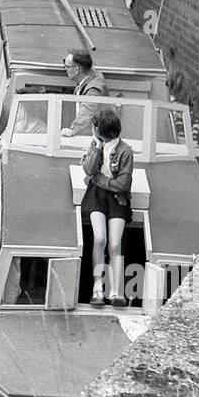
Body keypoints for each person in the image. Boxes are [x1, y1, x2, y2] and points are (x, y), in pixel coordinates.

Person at [81, 106, 134, 306]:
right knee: (100, 239)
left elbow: (123, 184)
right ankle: (97, 290)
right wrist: (96, 148)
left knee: (114, 244)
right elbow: (88, 168)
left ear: (99, 129)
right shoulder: (96, 145)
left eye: (94, 127)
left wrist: (98, 178)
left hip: (117, 199)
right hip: (96, 197)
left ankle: (115, 292)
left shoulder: (125, 151)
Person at [63, 50, 108, 137]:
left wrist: (73, 129)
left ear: (76, 70)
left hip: (95, 138)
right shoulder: (87, 79)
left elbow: (88, 109)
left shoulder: (93, 89)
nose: (65, 69)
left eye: (67, 66)